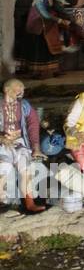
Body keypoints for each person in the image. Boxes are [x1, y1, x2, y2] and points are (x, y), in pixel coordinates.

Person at [0, 79, 44, 213]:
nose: (22, 92)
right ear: (7, 90)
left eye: (23, 89)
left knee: (26, 170)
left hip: (19, 142)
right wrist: (1, 137)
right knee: (4, 168)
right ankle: (1, 200)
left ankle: (30, 203)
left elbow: (33, 125)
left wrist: (36, 147)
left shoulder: (24, 105)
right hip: (2, 144)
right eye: (18, 88)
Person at [21, 0, 68, 79]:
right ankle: (38, 72)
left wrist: (65, 16)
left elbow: (54, 7)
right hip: (38, 25)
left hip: (47, 24)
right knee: (41, 48)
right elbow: (44, 13)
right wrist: (59, 20)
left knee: (52, 45)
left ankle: (54, 69)